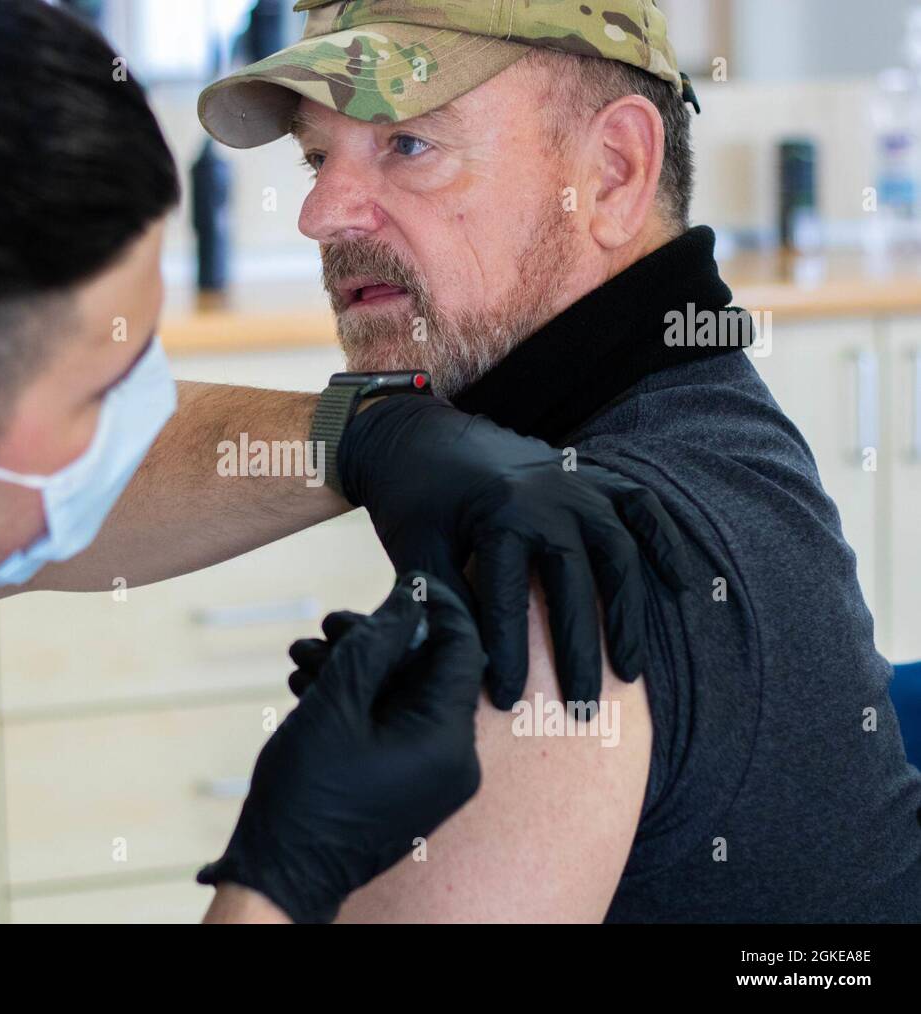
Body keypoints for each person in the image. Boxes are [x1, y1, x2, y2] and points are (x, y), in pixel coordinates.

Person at [0, 0, 684, 924]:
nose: (317, 213)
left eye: (406, 143)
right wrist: (281, 875)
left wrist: (358, 434)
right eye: (100, 388)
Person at [193, 0, 921, 921]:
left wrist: (282, 869)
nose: (320, 213)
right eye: (316, 156)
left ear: (613, 173)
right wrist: (363, 434)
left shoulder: (556, 590)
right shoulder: (714, 421)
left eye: (408, 144)